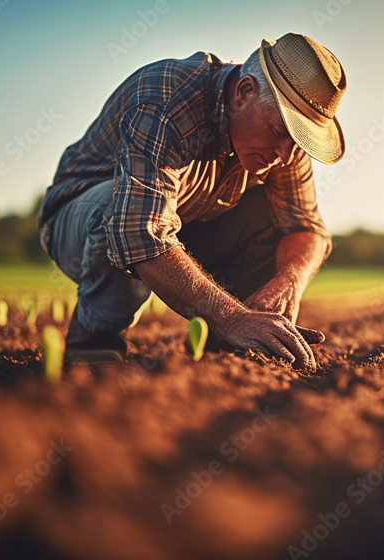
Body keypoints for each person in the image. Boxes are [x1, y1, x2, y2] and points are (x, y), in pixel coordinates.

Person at [37, 33, 347, 369]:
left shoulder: (283, 148)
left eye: (299, 141)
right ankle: (94, 352)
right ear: (244, 92)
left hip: (180, 227)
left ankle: (237, 353)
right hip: (79, 223)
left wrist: (290, 280)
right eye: (280, 130)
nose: (287, 156)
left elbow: (308, 229)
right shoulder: (166, 99)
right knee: (122, 210)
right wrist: (231, 316)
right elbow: (140, 232)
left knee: (274, 225)